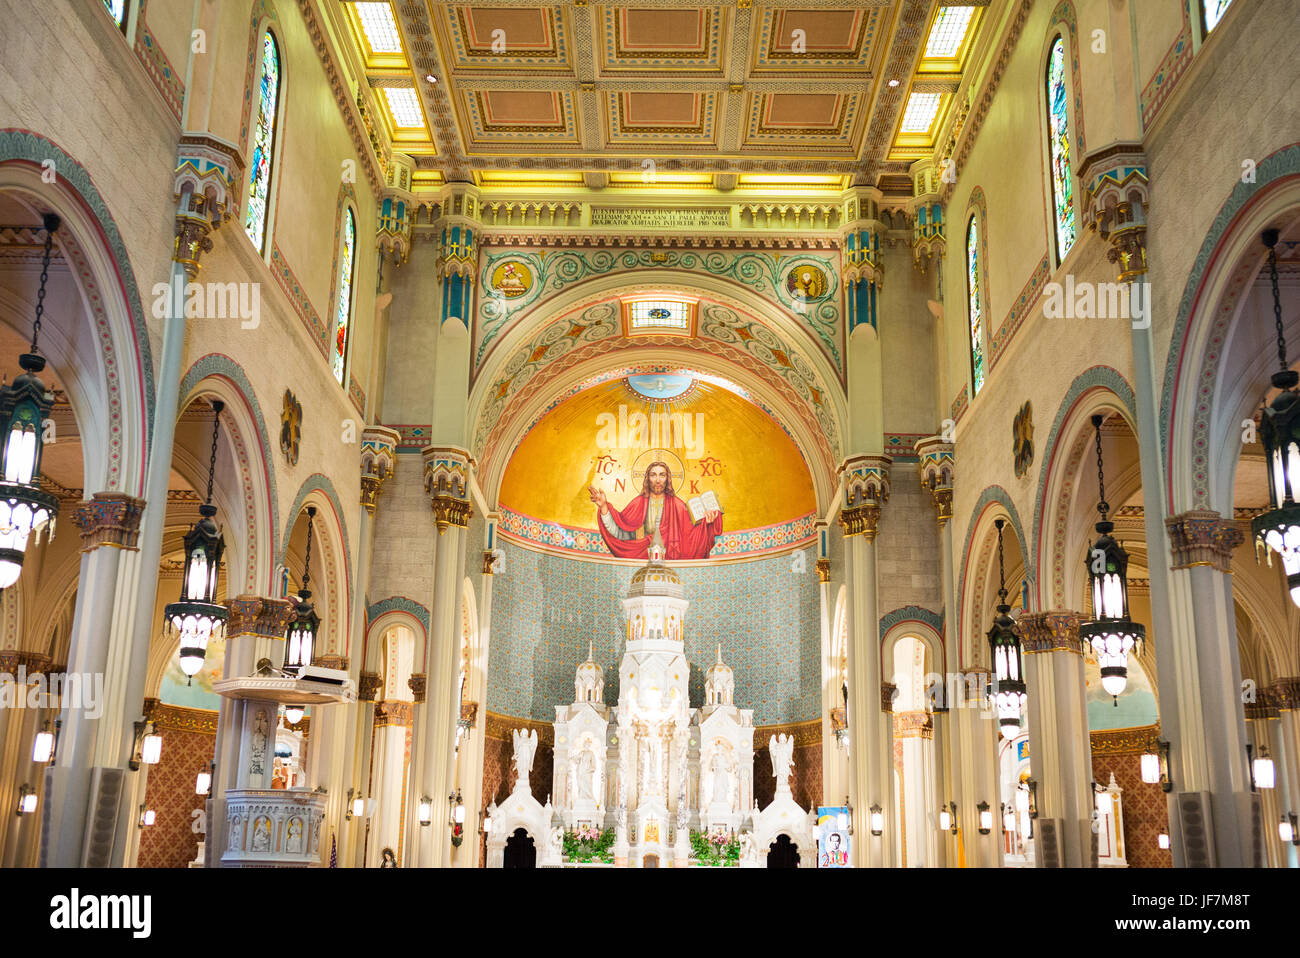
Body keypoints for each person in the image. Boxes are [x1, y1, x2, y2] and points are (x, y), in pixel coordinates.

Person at [589, 461, 721, 560]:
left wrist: (707, 523)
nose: (658, 480)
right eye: (653, 475)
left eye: (662, 475)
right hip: (642, 557)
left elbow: (690, 538)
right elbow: (621, 532)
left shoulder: (677, 505)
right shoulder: (637, 504)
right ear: (647, 478)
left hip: (670, 560)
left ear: (667, 478)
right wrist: (604, 507)